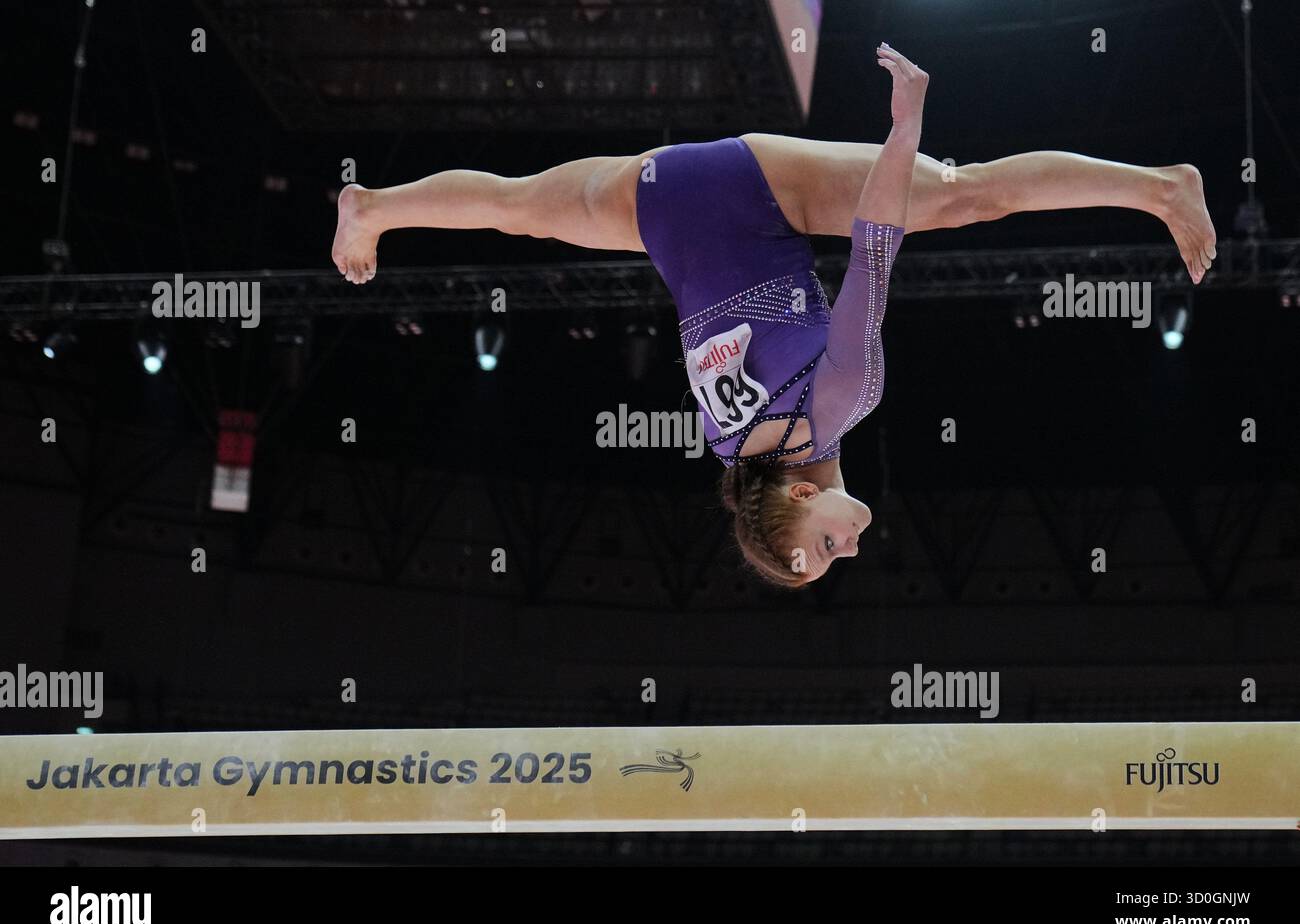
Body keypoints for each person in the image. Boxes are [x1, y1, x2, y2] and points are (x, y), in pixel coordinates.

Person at [331, 44, 1216, 586]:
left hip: (750, 191)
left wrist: (907, 132)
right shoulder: (726, 446)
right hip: (655, 204)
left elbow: (876, 243)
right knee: (517, 206)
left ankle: (1160, 187)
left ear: (801, 495)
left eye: (827, 549)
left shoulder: (843, 402)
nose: (849, 551)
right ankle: (372, 207)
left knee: (963, 195)